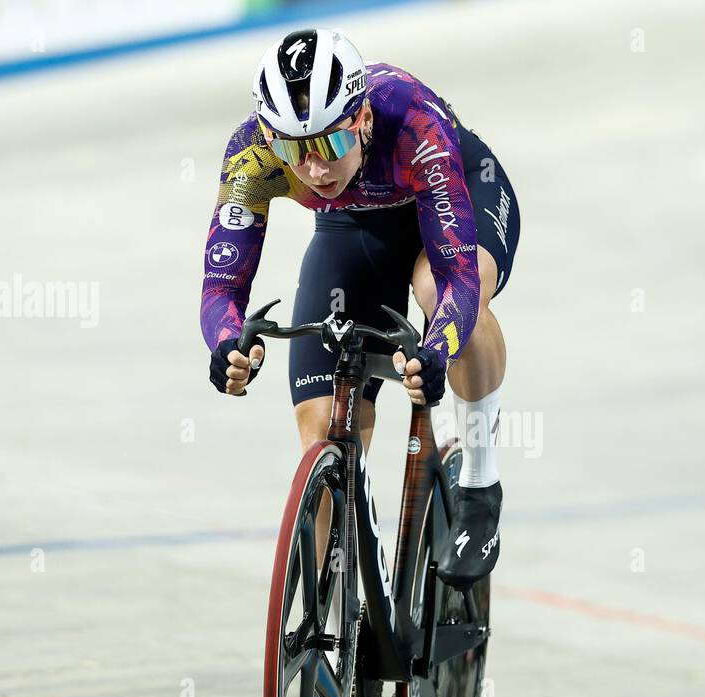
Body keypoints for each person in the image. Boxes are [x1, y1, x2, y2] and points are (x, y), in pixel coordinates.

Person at [201, 28, 519, 586]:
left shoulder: (411, 118)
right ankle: (339, 617)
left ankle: (478, 481)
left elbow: (458, 278)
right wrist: (228, 342)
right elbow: (221, 287)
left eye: (328, 144)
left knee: (432, 291)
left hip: (454, 193)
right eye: (294, 151)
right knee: (322, 428)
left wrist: (437, 345)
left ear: (363, 119)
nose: (315, 170)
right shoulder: (251, 153)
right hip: (352, 223)